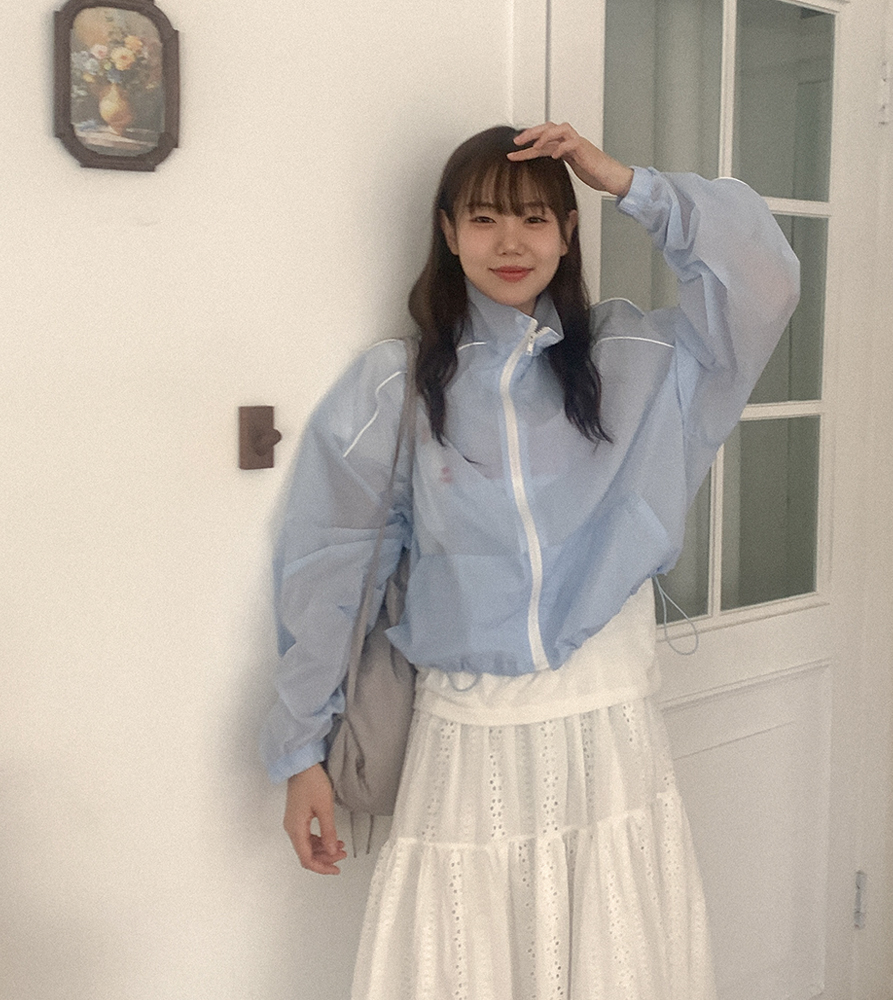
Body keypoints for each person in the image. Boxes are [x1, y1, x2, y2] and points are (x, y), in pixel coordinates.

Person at [261, 122, 800, 999]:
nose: (510, 242)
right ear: (448, 231)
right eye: (483, 218)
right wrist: (299, 752)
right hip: (467, 735)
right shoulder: (398, 387)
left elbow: (765, 284)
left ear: (568, 230)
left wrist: (624, 181)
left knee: (610, 958)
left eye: (535, 218)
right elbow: (330, 572)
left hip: (608, 723)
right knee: (467, 961)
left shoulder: (636, 360)